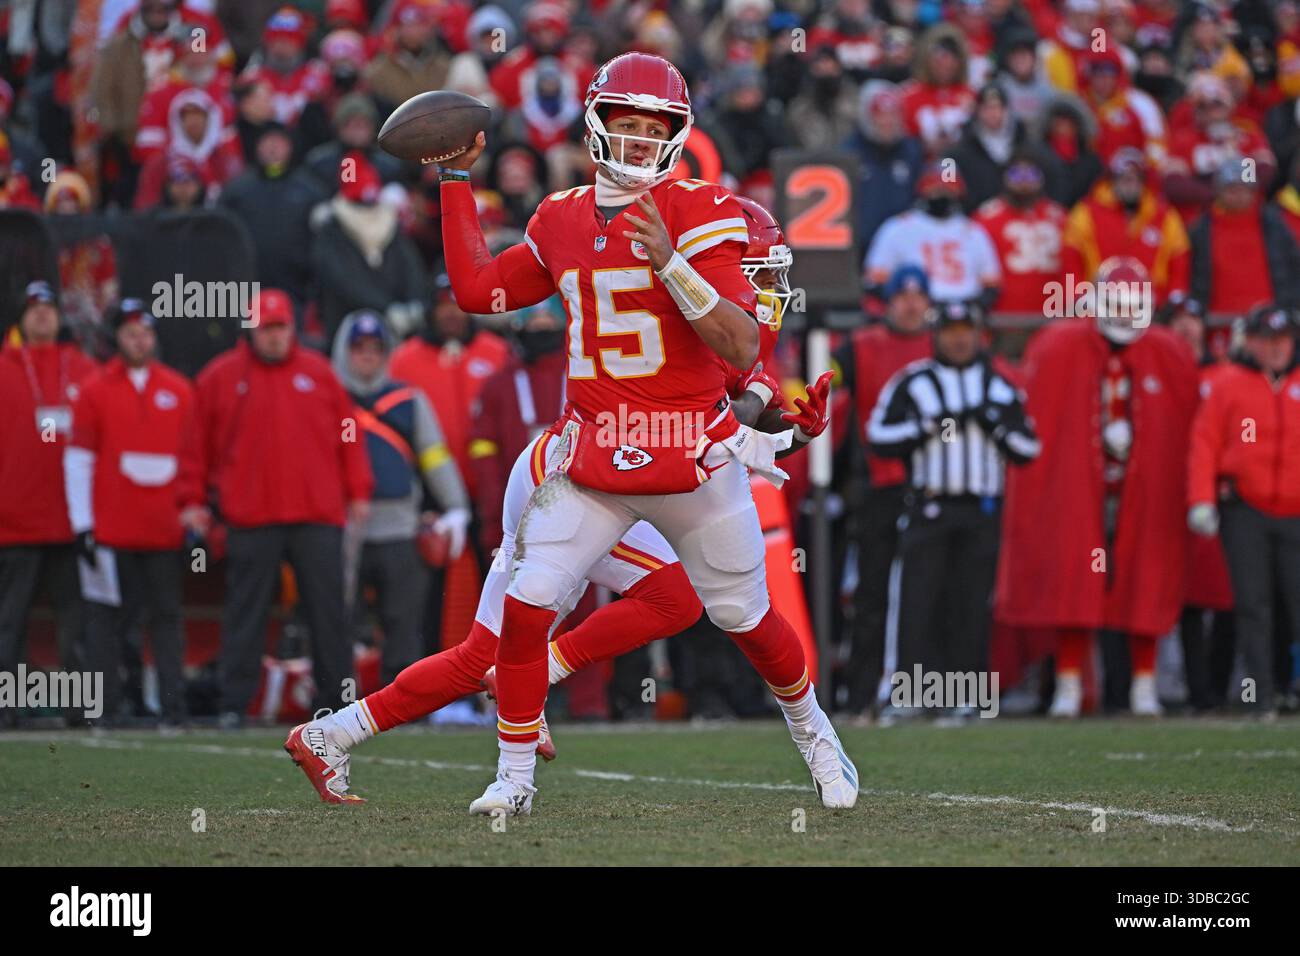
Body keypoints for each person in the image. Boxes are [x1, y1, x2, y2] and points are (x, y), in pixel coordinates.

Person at [404, 66, 855, 817]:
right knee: (527, 604)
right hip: (598, 453)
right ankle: (513, 779)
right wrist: (455, 181)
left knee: (746, 615)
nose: (640, 138)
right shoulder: (561, 216)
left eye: (654, 126)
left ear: (676, 135)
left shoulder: (705, 210)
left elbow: (743, 346)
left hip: (692, 455)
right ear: (596, 121)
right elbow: (481, 291)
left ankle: (816, 737)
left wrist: (669, 262)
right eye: (628, 121)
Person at [284, 196, 836, 804]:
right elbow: (721, 422)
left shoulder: (719, 327)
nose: (764, 293)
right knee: (596, 620)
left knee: (521, 644)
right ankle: (514, 710)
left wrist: (794, 435)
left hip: (618, 472)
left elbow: (730, 424)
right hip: (575, 475)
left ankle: (337, 731)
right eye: (754, 276)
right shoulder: (683, 311)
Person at [996, 258, 1199, 717]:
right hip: (1081, 488)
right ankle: (1069, 682)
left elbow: (1184, 426)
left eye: (1133, 306)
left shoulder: (1168, 352)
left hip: (1141, 488)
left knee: (1147, 573)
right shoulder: (1059, 346)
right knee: (1075, 577)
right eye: (1117, 305)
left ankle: (1144, 684)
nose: (1125, 316)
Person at [180, 288, 373, 727]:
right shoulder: (219, 378)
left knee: (329, 613)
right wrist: (192, 502)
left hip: (316, 514)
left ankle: (336, 703)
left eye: (281, 327)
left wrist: (359, 490)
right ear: (250, 330)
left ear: (293, 328)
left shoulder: (320, 375)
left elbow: (350, 435)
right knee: (245, 614)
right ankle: (234, 704)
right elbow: (195, 449)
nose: (274, 337)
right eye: (266, 328)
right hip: (252, 517)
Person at [869, 301, 1039, 719]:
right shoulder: (913, 382)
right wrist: (925, 427)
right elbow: (878, 434)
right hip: (929, 507)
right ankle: (911, 695)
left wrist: (995, 427)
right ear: (936, 335)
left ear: (979, 334)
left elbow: (1029, 447)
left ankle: (966, 696)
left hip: (981, 511)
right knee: (917, 602)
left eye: (966, 330)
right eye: (951, 331)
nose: (959, 339)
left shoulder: (999, 386)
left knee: (970, 604)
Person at [64, 300, 193, 727]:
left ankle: (175, 708)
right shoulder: (94, 390)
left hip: (162, 531)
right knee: (107, 624)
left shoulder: (178, 389)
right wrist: (83, 524)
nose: (139, 339)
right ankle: (107, 708)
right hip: (112, 531)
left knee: (167, 620)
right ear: (116, 338)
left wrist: (191, 512)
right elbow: (78, 459)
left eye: (146, 332)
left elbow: (191, 457)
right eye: (131, 331)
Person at [331, 310, 471, 685]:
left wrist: (456, 506)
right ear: (344, 351)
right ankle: (340, 698)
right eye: (358, 348)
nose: (367, 356)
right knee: (340, 621)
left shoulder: (407, 399)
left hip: (400, 527)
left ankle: (403, 700)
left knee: (404, 620)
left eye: (376, 348)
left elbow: (434, 455)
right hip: (341, 528)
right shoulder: (327, 397)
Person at [1187, 305, 1300, 718]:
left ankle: (1287, 688)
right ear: (1249, 341)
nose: (1275, 348)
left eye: (1282, 339)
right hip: (1245, 509)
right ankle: (1261, 697)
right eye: (1267, 340)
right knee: (1253, 606)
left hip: (1295, 509)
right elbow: (1205, 444)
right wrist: (1201, 499)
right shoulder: (1228, 385)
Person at [832, 265, 933, 714]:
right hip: (877, 486)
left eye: (918, 296)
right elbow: (825, 387)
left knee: (929, 593)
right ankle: (860, 695)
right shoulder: (860, 347)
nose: (911, 305)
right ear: (887, 301)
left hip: (935, 488)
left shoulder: (944, 343)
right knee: (872, 595)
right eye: (902, 296)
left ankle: (930, 691)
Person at [0, 281, 98, 722]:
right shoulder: (3, 368)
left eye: (49, 308)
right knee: (9, 621)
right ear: (20, 318)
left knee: (76, 621)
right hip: (13, 519)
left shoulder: (85, 370)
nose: (42, 315)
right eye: (33, 308)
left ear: (60, 318)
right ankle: (10, 707)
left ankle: (82, 708)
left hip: (71, 522)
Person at [1063, 146, 1190, 305]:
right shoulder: (1085, 213)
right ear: (1112, 179)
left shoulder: (1165, 216)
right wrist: (1081, 299)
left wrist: (1174, 299)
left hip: (1152, 308)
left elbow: (1179, 261)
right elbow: (1071, 261)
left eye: (1135, 178)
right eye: (1124, 178)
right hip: (1101, 306)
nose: (1130, 183)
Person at [865, 163, 1002, 306]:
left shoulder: (973, 231)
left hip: (962, 313)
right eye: (936, 190)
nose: (941, 195)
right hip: (915, 312)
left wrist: (973, 307)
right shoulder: (898, 227)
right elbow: (875, 282)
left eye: (948, 190)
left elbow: (991, 286)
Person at [1188, 157, 1300, 313]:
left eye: (1244, 189)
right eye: (1232, 189)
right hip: (1217, 323)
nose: (1239, 195)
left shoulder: (1273, 225)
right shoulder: (1201, 230)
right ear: (1219, 191)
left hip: (1268, 323)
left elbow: (1293, 268)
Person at [974, 156, 1068, 318]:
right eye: (1017, 175)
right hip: (1003, 318)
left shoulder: (1061, 218)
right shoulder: (986, 218)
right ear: (1005, 178)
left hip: (1051, 317)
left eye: (1031, 175)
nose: (1024, 182)